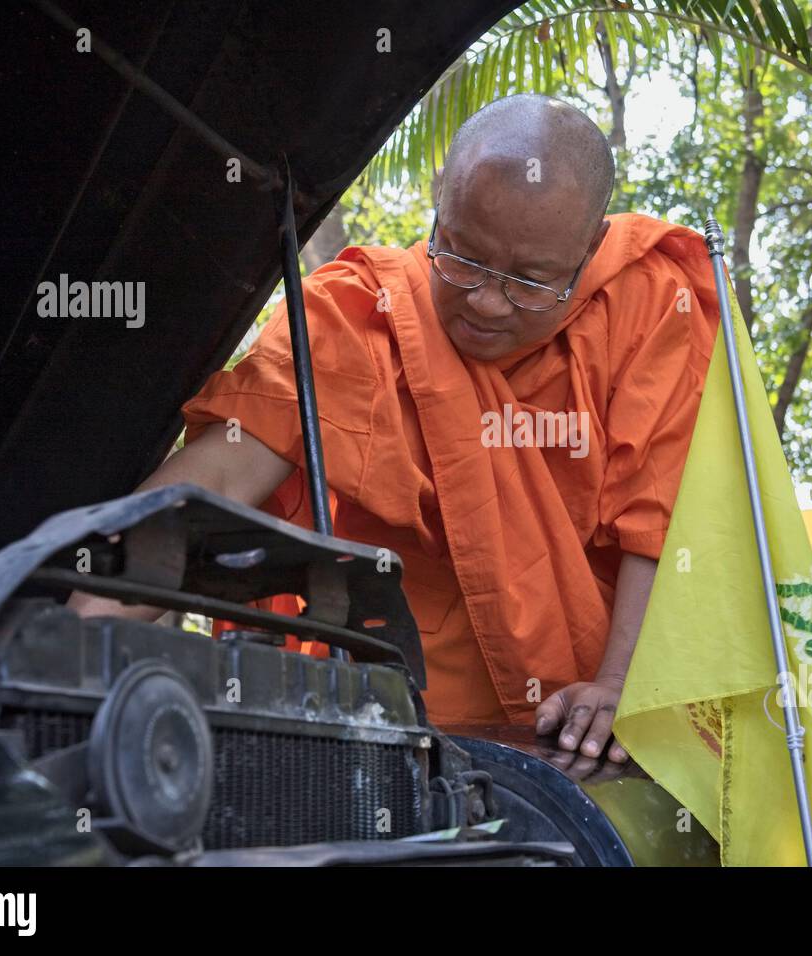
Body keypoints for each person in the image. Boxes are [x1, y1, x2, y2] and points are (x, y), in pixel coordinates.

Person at [71, 93, 721, 765]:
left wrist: (621, 685)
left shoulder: (648, 302)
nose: (487, 304)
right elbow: (222, 477)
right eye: (463, 259)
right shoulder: (360, 315)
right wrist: (75, 638)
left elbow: (663, 518)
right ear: (441, 206)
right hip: (387, 733)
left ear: (589, 248)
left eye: (530, 282)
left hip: (586, 734)